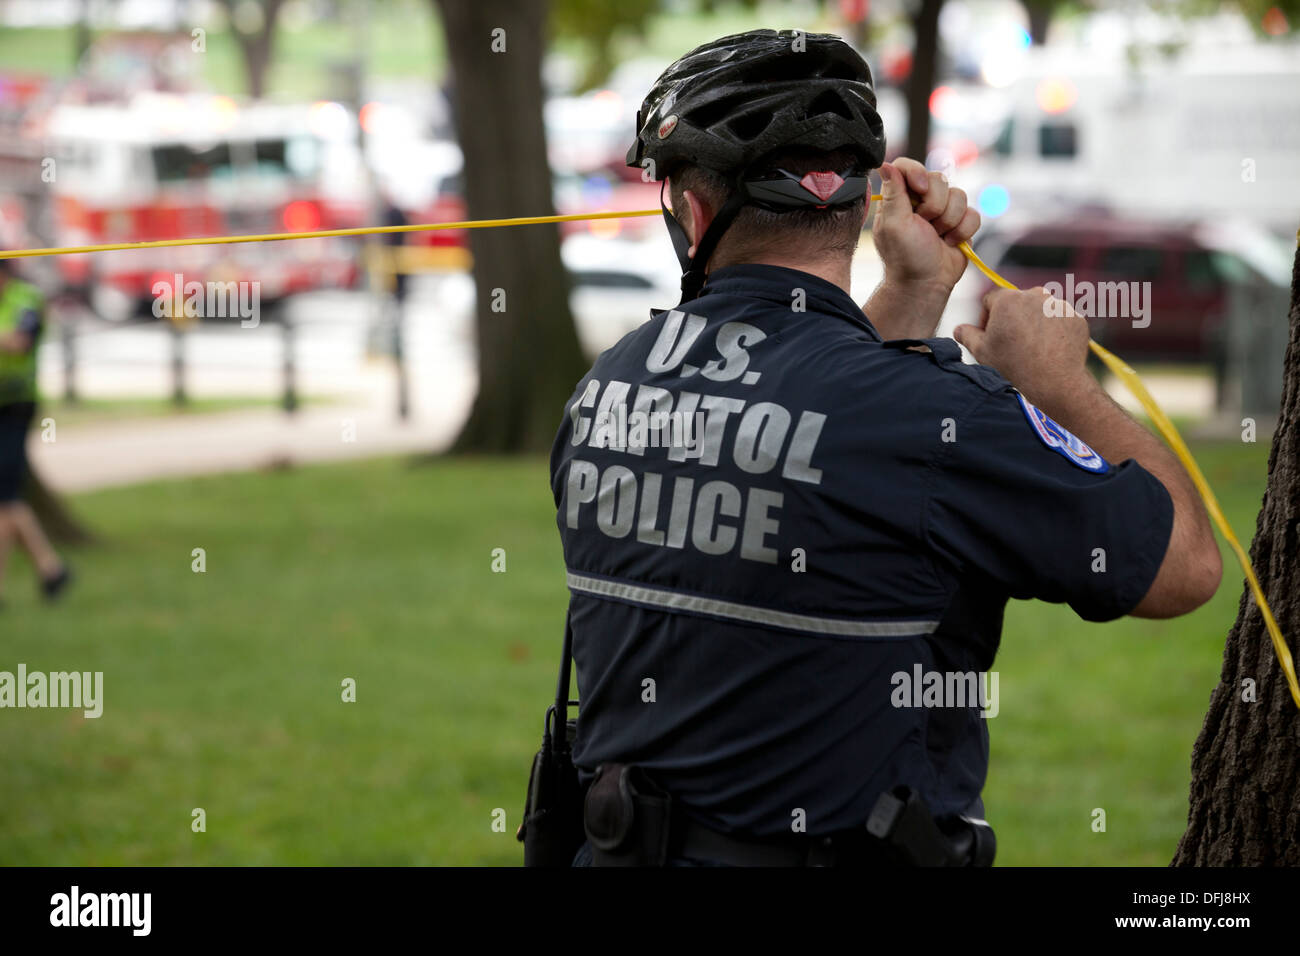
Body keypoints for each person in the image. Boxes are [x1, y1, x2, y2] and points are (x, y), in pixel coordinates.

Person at [549, 29, 1221, 866]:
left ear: (692, 212)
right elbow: (1185, 565)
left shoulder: (608, 384)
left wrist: (912, 292)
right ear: (860, 201)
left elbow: (810, 433)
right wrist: (1062, 387)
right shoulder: (938, 422)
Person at [0, 260, 71, 608]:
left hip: (15, 406)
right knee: (8, 498)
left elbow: (18, 343)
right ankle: (50, 568)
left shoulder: (25, 298)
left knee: (5, 497)